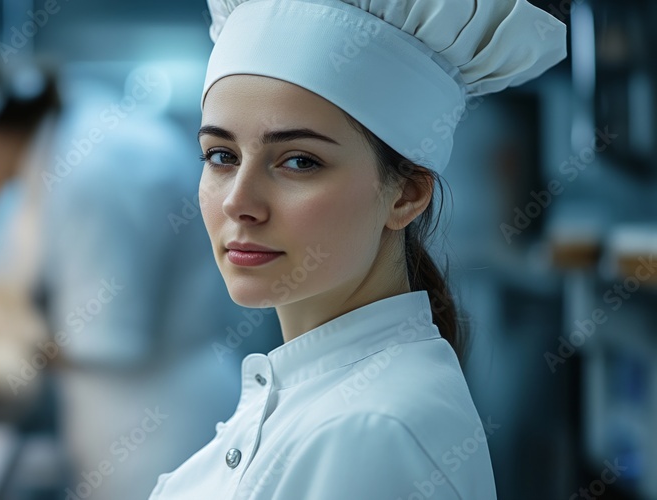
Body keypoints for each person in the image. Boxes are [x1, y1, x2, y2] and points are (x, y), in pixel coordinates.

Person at [147, 0, 566, 498]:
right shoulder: (320, 399)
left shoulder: (369, 431)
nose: (239, 202)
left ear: (406, 194)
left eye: (299, 162)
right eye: (221, 156)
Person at [0, 65, 280, 500]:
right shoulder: (58, 150)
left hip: (161, 432)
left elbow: (98, 341)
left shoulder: (96, 172)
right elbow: (16, 311)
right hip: (114, 423)